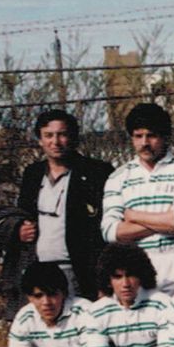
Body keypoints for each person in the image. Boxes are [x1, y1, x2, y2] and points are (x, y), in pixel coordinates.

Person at [101, 103, 174, 298]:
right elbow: (111, 232)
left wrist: (133, 216)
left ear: (165, 136)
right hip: (137, 271)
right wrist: (166, 219)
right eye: (138, 136)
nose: (145, 143)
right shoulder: (118, 177)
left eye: (152, 135)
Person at [17, 109, 114, 299]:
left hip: (82, 272)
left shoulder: (96, 172)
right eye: (48, 135)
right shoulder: (32, 174)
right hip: (41, 270)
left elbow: (106, 227)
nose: (55, 142)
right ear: (40, 140)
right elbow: (22, 214)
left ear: (73, 137)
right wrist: (19, 230)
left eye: (62, 134)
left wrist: (104, 279)